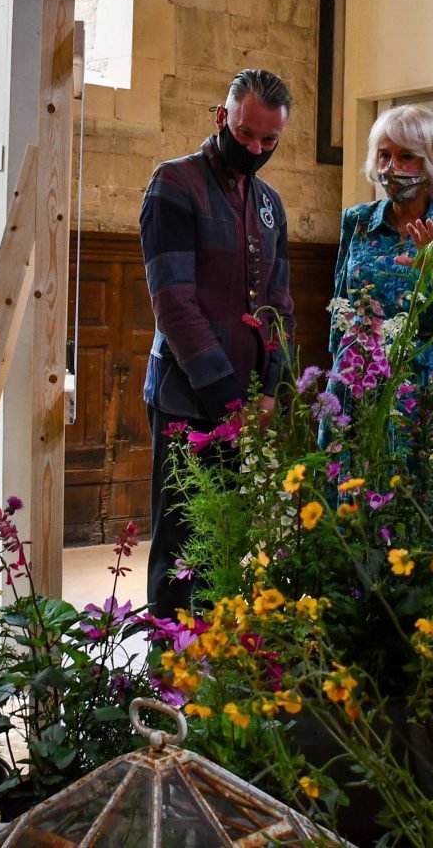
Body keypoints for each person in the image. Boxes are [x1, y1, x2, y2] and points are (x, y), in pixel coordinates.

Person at [140, 68, 295, 618]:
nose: (254, 148)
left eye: (268, 141)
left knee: (229, 545)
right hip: (189, 401)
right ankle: (168, 672)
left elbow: (280, 306)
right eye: (245, 133)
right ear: (221, 118)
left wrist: (271, 390)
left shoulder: (271, 203)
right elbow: (174, 305)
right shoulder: (174, 184)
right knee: (183, 545)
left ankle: (218, 672)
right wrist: (232, 403)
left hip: (251, 405)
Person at [327, 104, 433, 536]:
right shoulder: (357, 222)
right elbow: (340, 305)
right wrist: (335, 386)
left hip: (428, 388)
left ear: (432, 162)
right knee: (356, 511)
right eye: (384, 155)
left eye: (406, 157)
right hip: (358, 386)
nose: (391, 167)